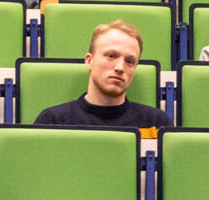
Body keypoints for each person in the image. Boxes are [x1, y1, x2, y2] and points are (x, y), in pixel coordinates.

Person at [33, 20, 172, 132]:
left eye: (129, 61)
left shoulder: (156, 124)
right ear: (89, 61)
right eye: (111, 56)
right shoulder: (53, 121)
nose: (120, 67)